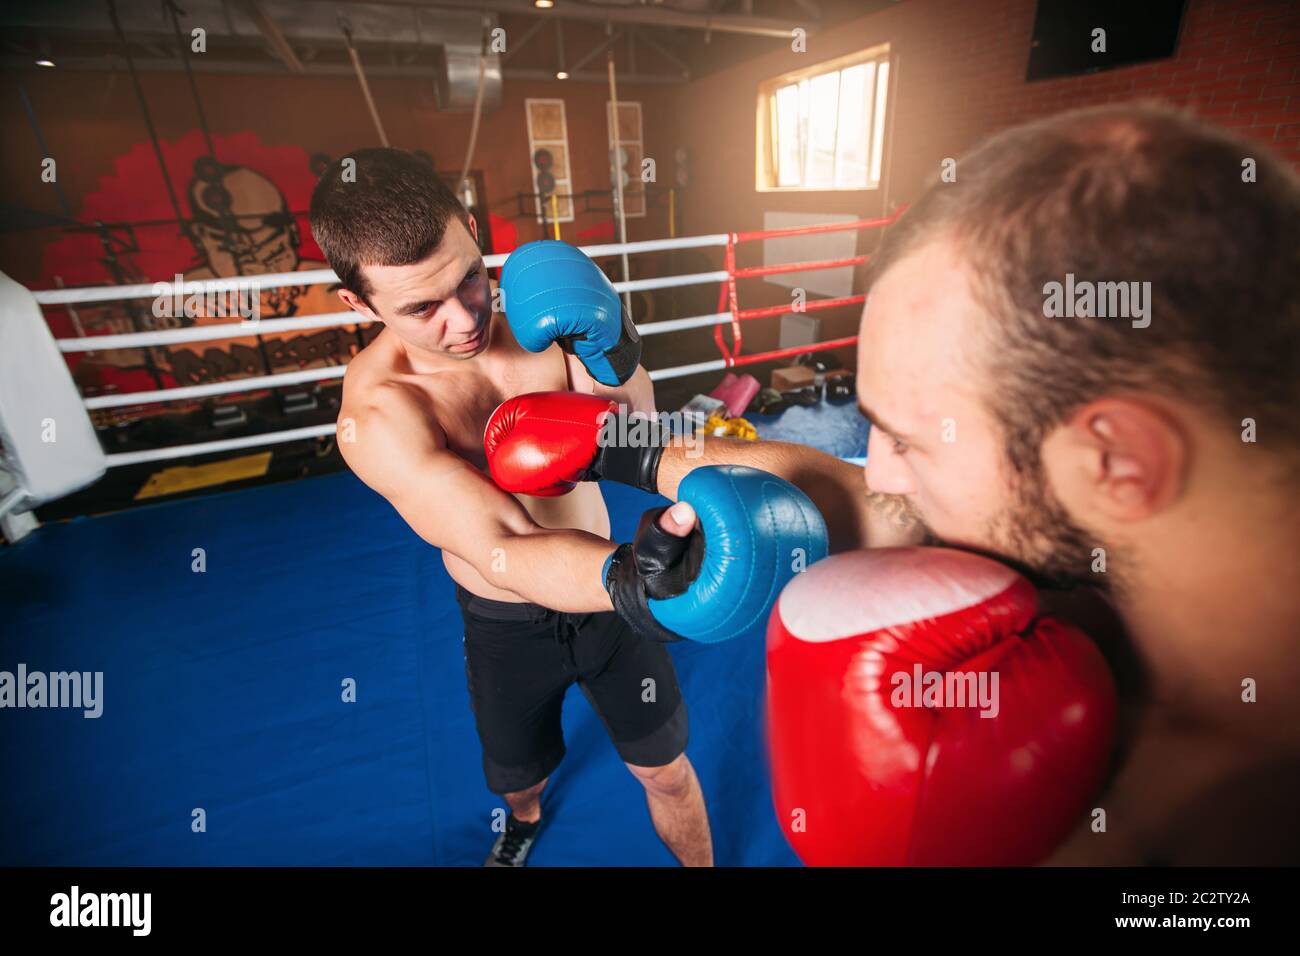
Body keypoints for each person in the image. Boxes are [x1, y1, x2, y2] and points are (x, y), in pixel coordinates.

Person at [506, 103, 1300, 865]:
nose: (877, 465)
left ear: (1119, 461)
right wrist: (626, 447)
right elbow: (861, 499)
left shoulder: (1239, 804)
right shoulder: (1102, 538)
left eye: (912, 441)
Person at [308, 149, 827, 867]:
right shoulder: (379, 414)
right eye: (421, 309)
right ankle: (523, 822)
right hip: (507, 623)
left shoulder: (538, 313)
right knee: (522, 780)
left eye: (468, 279)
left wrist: (614, 346)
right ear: (359, 305)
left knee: (668, 773)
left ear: (470, 227)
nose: (462, 320)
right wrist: (635, 585)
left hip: (613, 608)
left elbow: (632, 426)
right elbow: (505, 546)